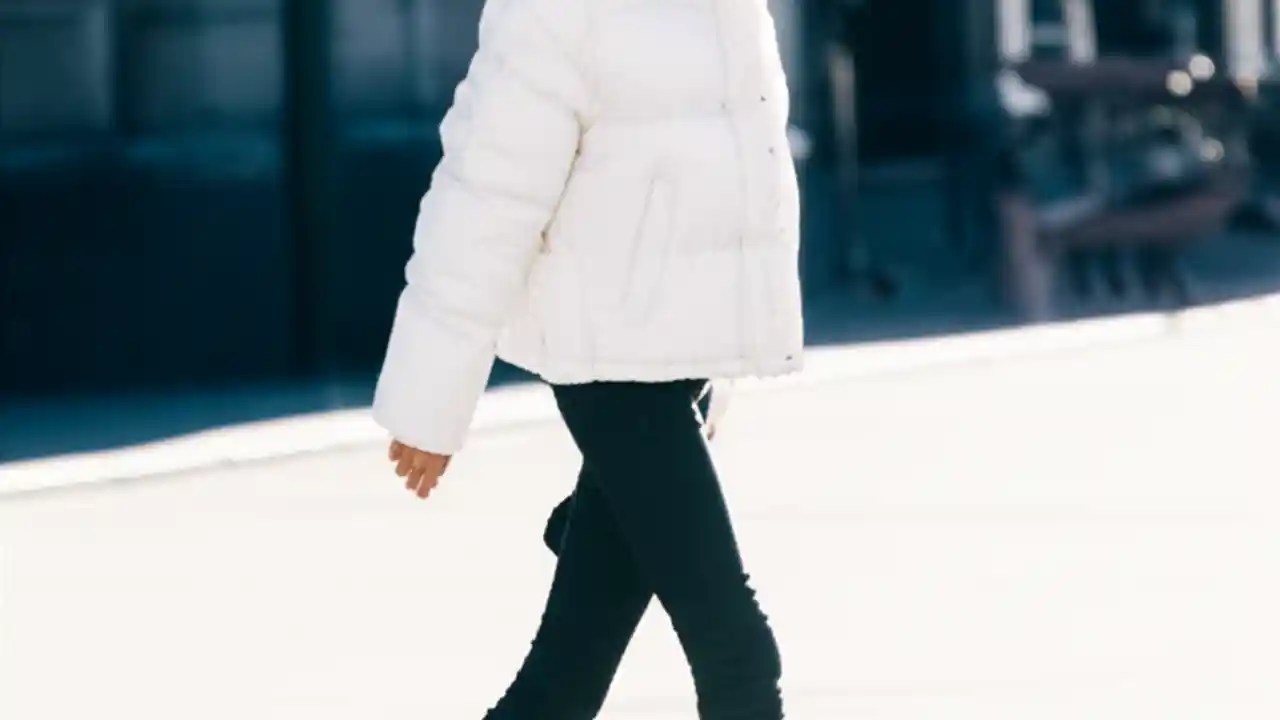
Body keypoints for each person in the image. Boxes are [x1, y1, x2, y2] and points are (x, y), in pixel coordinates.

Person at [373, 0, 805, 717]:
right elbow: (483, 198)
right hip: (609, 366)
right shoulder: (562, 12)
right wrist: (431, 397)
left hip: (674, 368)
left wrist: (719, 358)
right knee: (738, 655)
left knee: (564, 681)